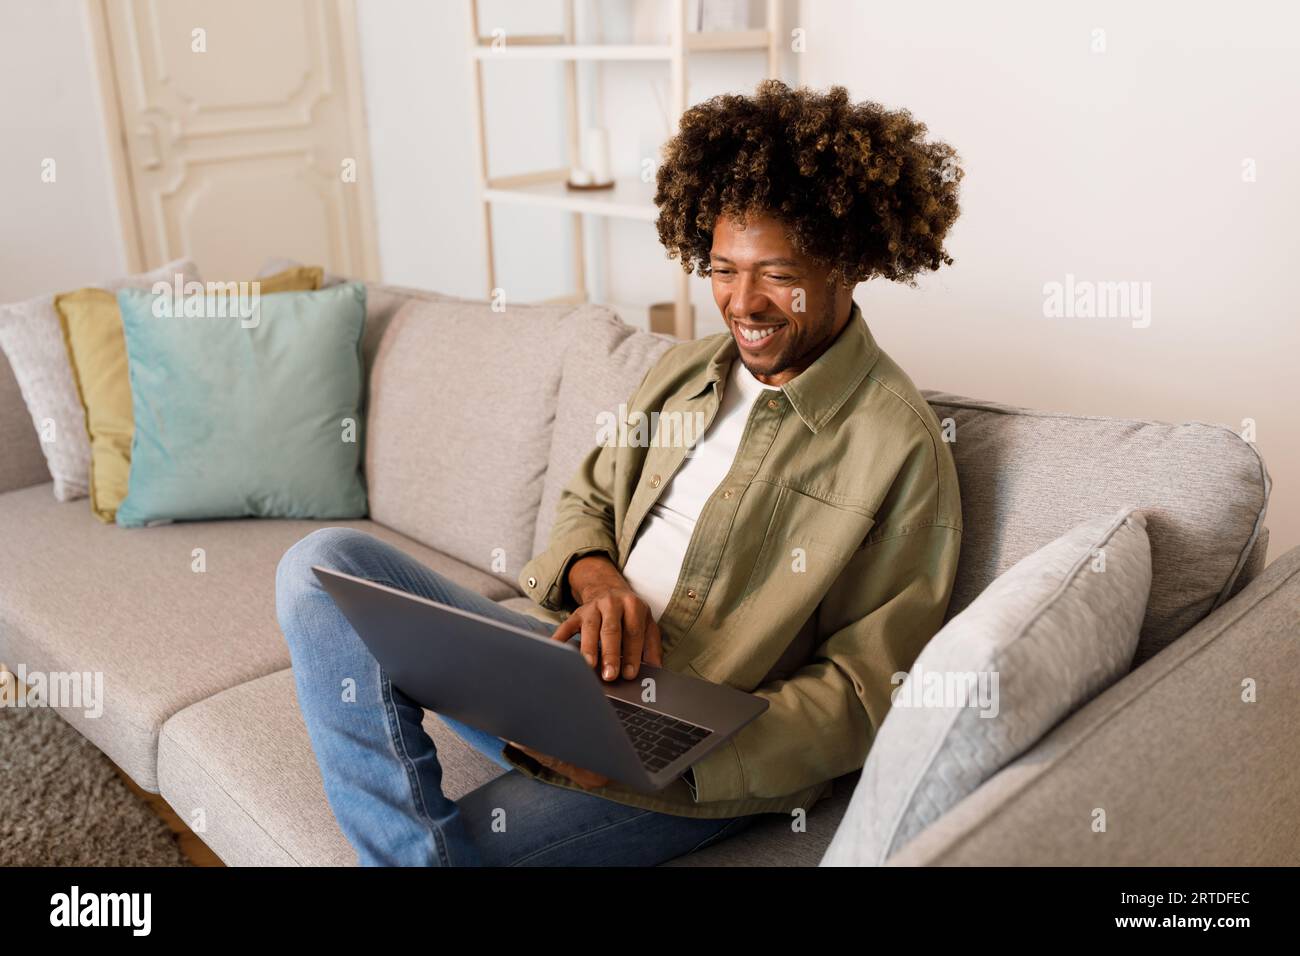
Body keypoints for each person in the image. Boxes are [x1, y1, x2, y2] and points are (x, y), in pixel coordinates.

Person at [276, 79, 965, 866]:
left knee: (449, 849)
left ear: (850, 261)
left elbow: (865, 693)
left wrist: (660, 747)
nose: (743, 303)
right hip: (561, 675)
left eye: (778, 273)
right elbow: (589, 497)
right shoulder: (687, 372)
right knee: (320, 567)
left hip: (693, 750)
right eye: (721, 268)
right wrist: (601, 584)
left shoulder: (900, 446)